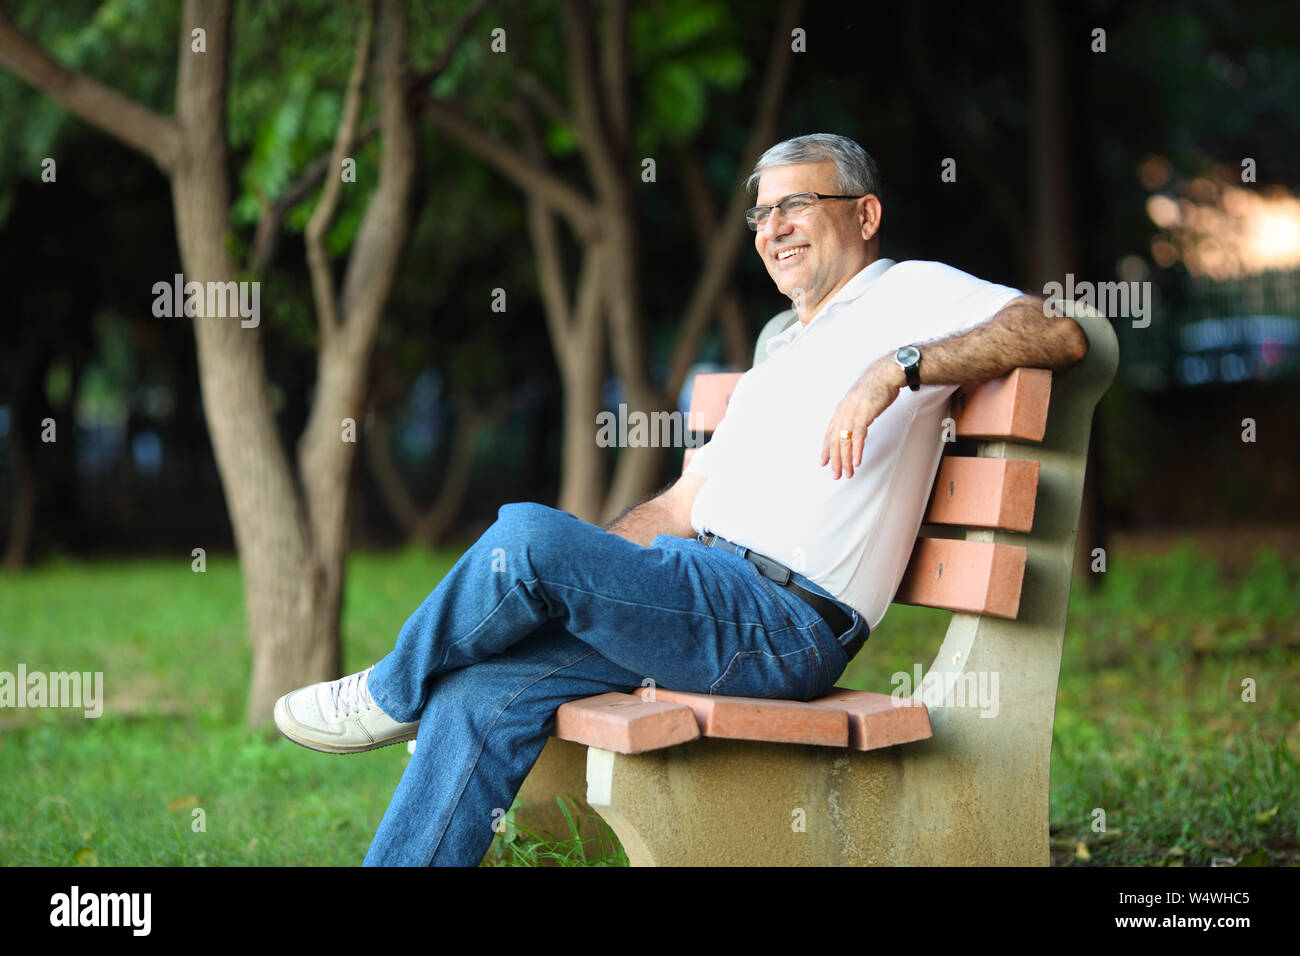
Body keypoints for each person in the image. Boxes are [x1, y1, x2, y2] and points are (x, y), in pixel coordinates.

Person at [273, 133, 1089, 866]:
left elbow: (1060, 333)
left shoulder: (908, 293)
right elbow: (675, 510)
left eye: (796, 203)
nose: (773, 227)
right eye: (762, 214)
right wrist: (585, 585)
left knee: (522, 533)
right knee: (479, 691)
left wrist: (895, 368)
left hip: (778, 624)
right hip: (694, 593)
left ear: (865, 213)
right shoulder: (776, 367)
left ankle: (385, 695)